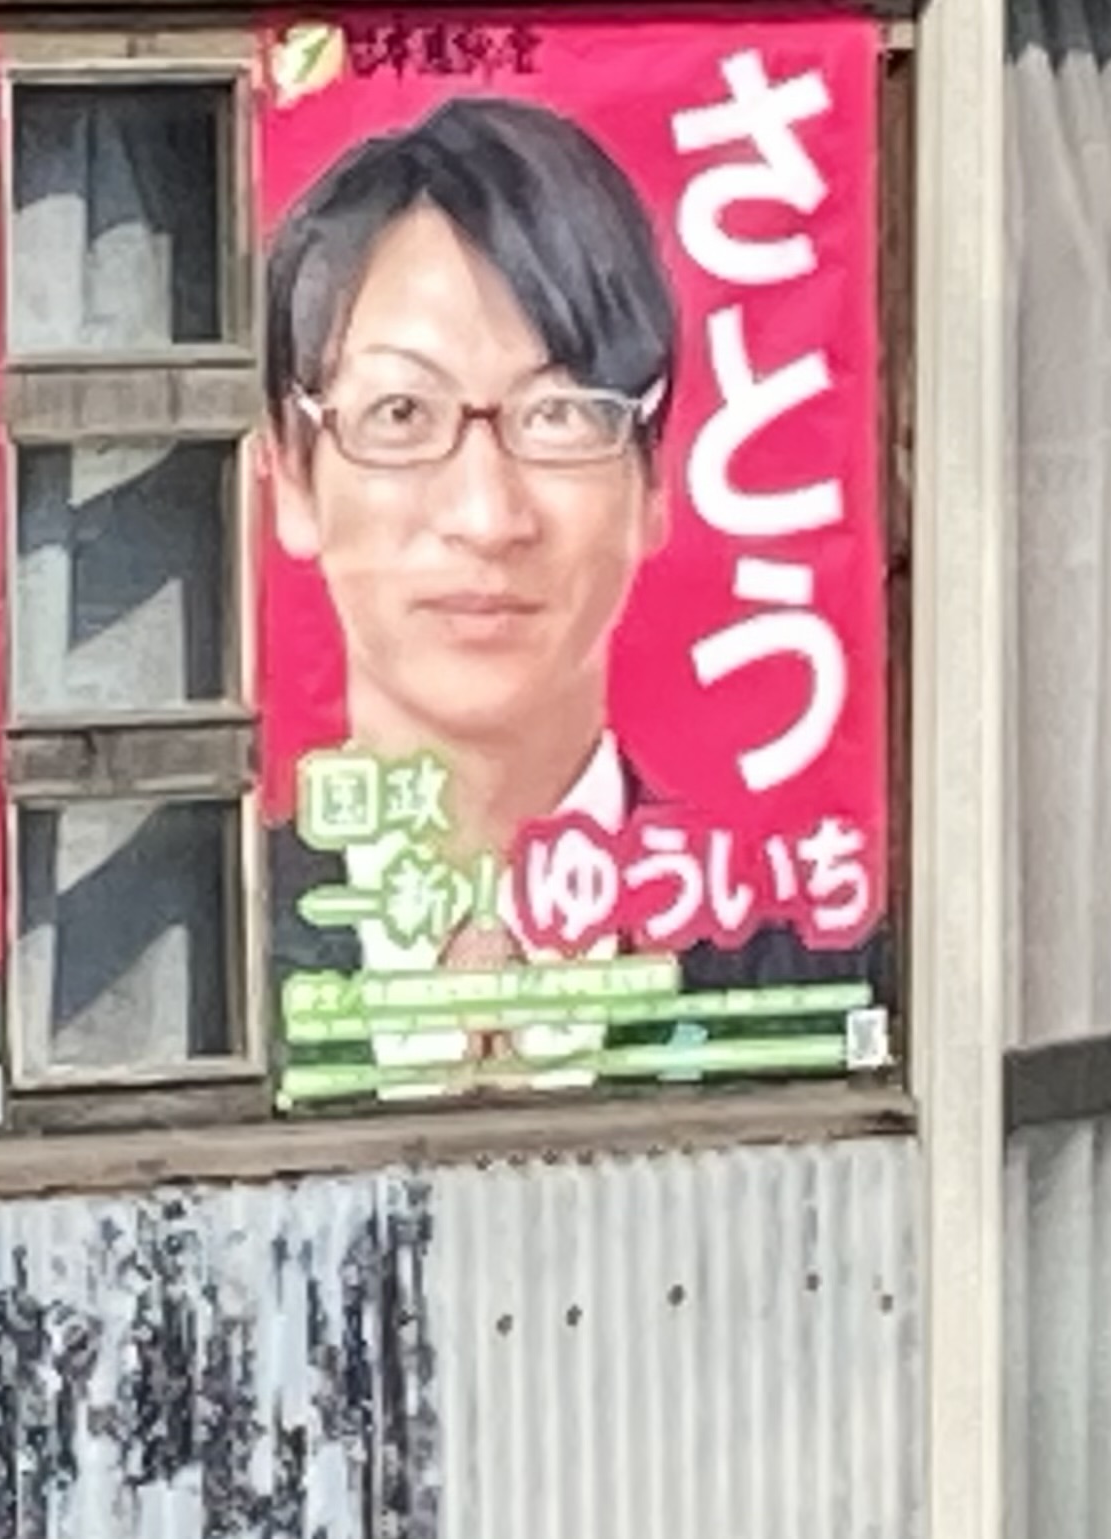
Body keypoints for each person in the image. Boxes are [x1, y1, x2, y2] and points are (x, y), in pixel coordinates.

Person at [259, 96, 883, 1084]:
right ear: (289, 476)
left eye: (558, 414)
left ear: (652, 480)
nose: (485, 513)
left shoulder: (803, 954)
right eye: (398, 412)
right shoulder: (187, 950)